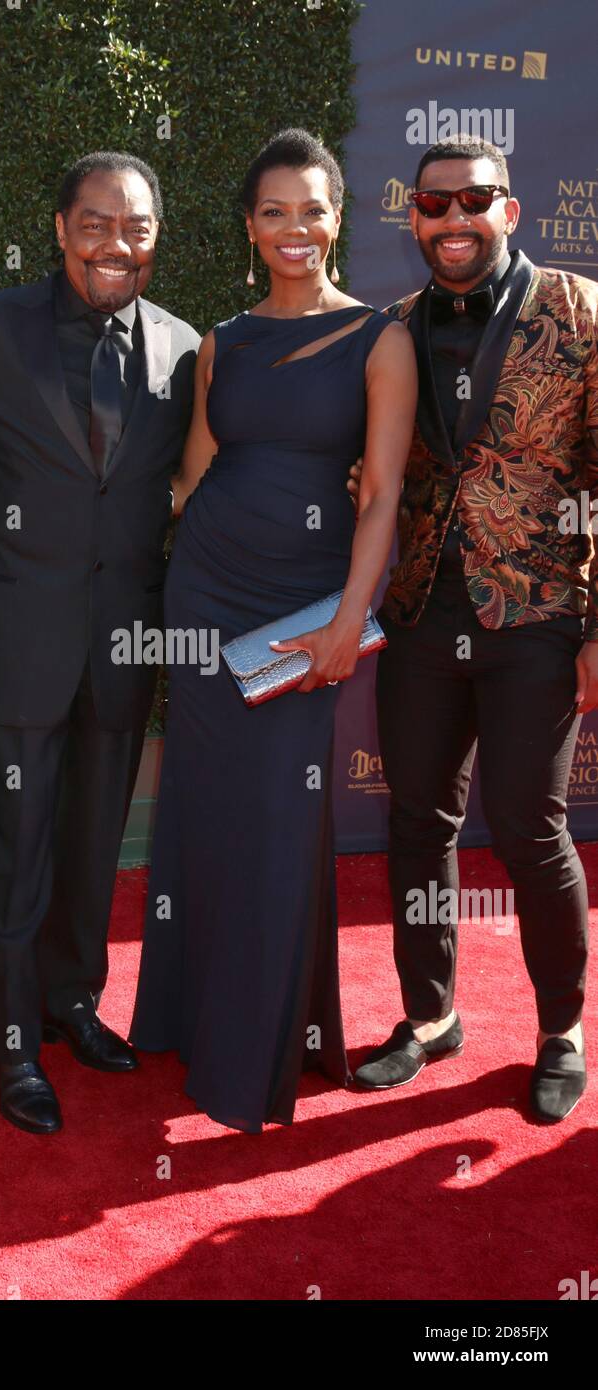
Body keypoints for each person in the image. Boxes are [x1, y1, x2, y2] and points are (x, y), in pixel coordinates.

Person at [128, 129, 417, 1133]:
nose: (294, 228)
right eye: (273, 212)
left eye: (311, 208)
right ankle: (185, 1019)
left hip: (304, 607)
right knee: (203, 812)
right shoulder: (224, 341)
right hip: (205, 589)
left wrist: (348, 616)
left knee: (280, 819)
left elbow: (378, 493)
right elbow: (193, 476)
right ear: (249, 227)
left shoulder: (380, 339)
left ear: (337, 215)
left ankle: (258, 1055)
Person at [0, 152, 200, 1135]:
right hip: (17, 641)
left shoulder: (181, 349)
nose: (114, 245)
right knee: (17, 847)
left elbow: (201, 481)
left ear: (154, 237)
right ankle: (8, 1044)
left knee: (91, 845)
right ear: (57, 227)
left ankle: (70, 1003)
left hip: (125, 646)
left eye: (134, 228)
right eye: (94, 224)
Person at [352, 136, 595, 1123]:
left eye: (473, 200)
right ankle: (428, 1016)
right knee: (416, 822)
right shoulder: (395, 327)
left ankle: (560, 1031)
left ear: (511, 208)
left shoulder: (578, 312)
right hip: (419, 614)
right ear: (410, 217)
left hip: (535, 615)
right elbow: (373, 477)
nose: (452, 220)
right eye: (432, 204)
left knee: (531, 827)